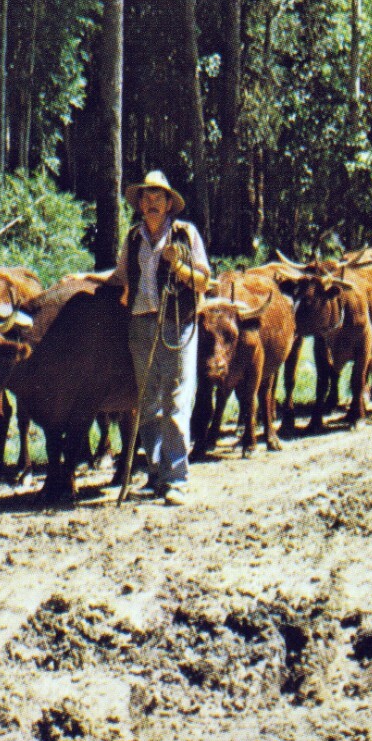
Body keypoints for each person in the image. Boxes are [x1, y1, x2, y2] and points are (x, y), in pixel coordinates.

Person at [108, 171, 210, 505]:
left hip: (177, 325)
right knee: (148, 401)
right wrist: (81, 278)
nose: (151, 204)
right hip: (141, 324)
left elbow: (203, 282)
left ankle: (176, 478)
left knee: (176, 399)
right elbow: (121, 276)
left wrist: (179, 268)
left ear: (169, 204)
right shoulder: (134, 237)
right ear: (139, 204)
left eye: (158, 198)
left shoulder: (185, 234)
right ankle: (155, 473)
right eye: (146, 199)